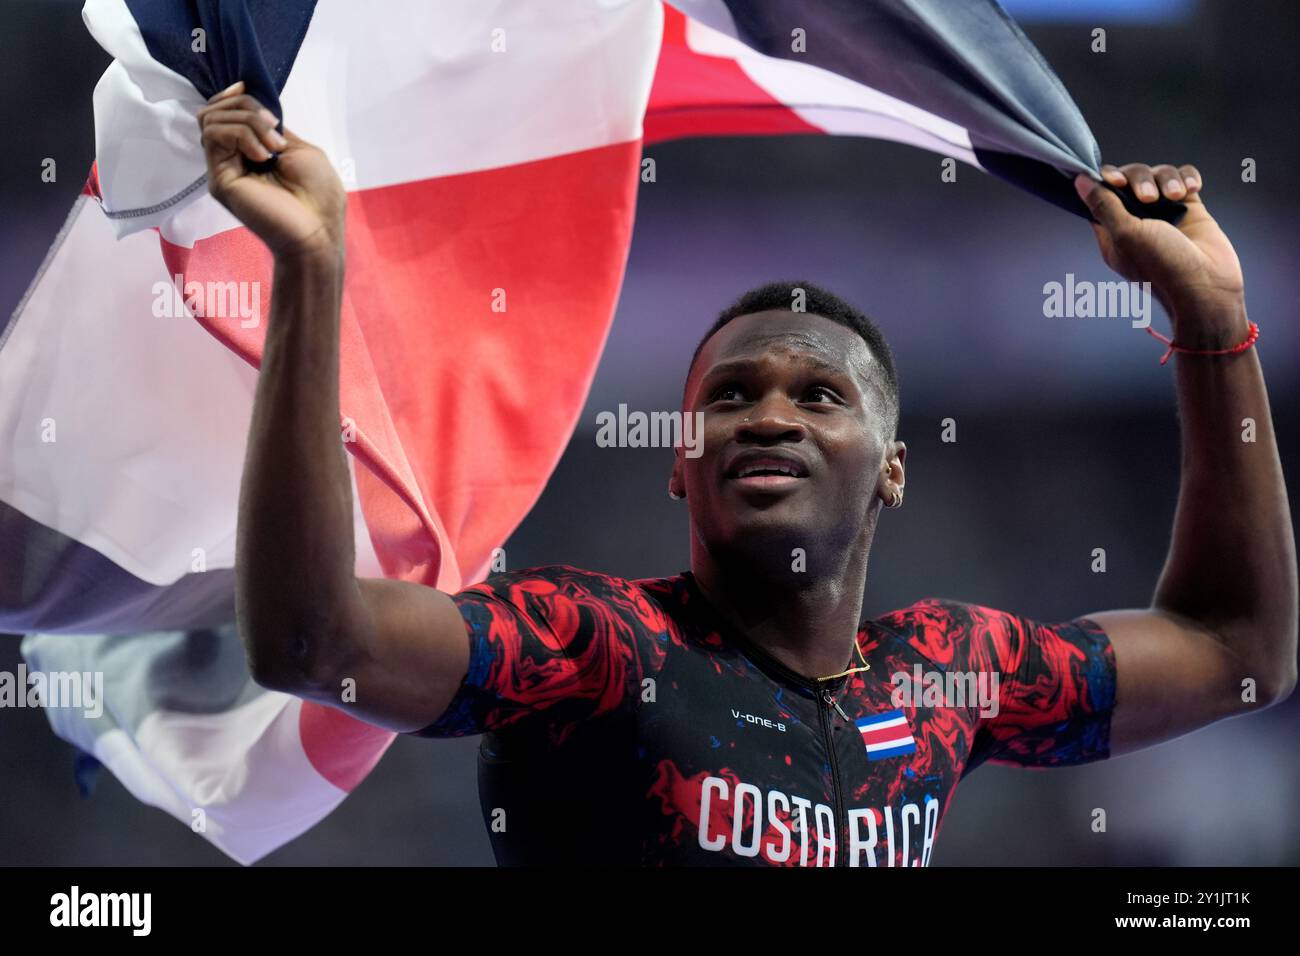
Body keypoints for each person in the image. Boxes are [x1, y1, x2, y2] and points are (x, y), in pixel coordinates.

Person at [200, 81, 1296, 866]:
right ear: (682, 469)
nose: (767, 413)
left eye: (820, 394)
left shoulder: (943, 678)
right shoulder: (593, 648)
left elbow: (1239, 652)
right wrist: (309, 271)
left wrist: (1210, 321)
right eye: (726, 397)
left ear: (893, 471)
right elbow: (313, 640)